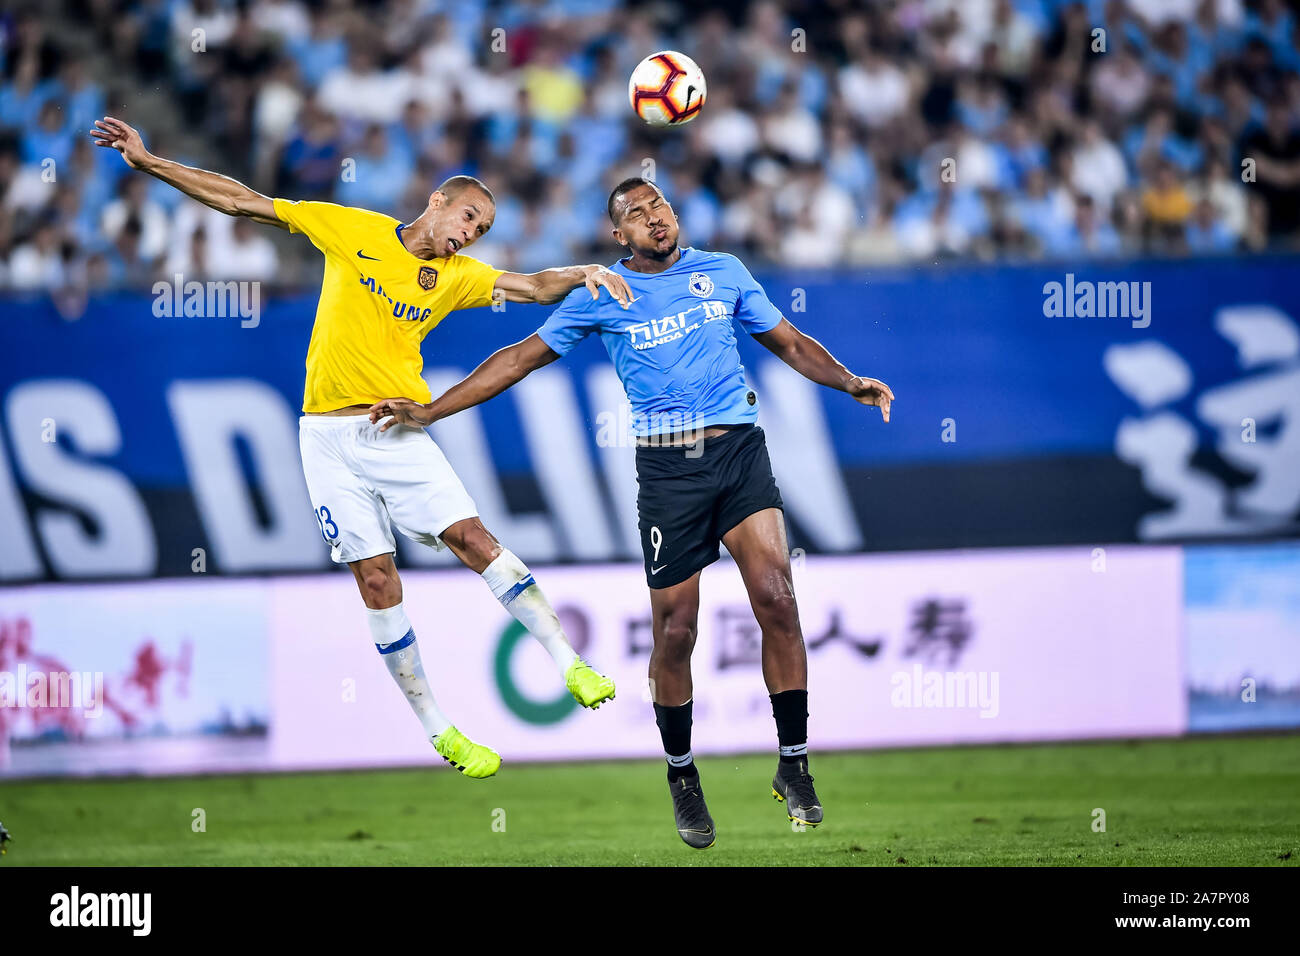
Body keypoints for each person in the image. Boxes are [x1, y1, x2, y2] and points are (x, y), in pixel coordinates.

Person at [90, 116, 632, 779]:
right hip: (323, 436)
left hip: (396, 429)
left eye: (481, 229)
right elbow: (242, 200)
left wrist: (584, 272)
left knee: (472, 537)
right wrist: (150, 161)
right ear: (436, 200)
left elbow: (530, 286)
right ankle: (441, 731)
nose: (469, 233)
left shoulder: (458, 276)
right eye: (466, 216)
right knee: (376, 580)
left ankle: (569, 663)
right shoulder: (355, 231)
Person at [368, 178, 894, 845]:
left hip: (738, 454)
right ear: (620, 237)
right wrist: (431, 410)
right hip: (668, 472)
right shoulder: (603, 294)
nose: (653, 218)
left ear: (674, 215)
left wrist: (849, 380)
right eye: (636, 214)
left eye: (659, 207)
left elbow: (789, 342)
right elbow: (518, 359)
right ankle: (681, 774)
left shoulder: (723, 272)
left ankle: (794, 764)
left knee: (776, 596)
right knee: (676, 632)